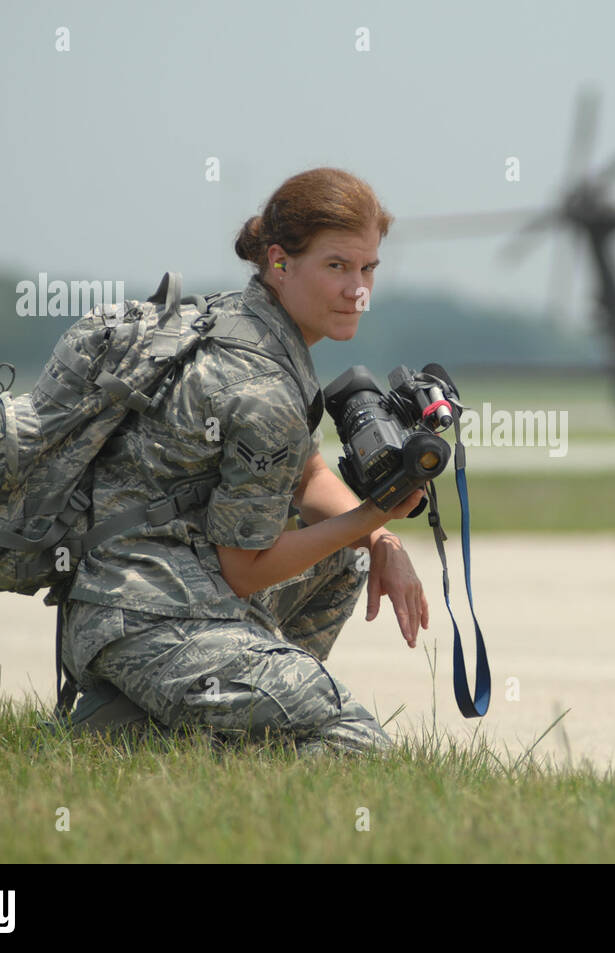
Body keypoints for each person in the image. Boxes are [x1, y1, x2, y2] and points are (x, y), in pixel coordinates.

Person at [59, 168, 428, 755]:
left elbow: (307, 473)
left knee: (346, 561)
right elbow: (246, 570)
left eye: (368, 269)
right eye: (337, 266)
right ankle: (195, 732)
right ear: (279, 263)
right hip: (152, 619)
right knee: (359, 744)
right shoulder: (262, 387)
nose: (358, 290)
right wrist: (365, 520)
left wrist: (381, 537)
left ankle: (162, 719)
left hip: (127, 599)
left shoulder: (245, 324)